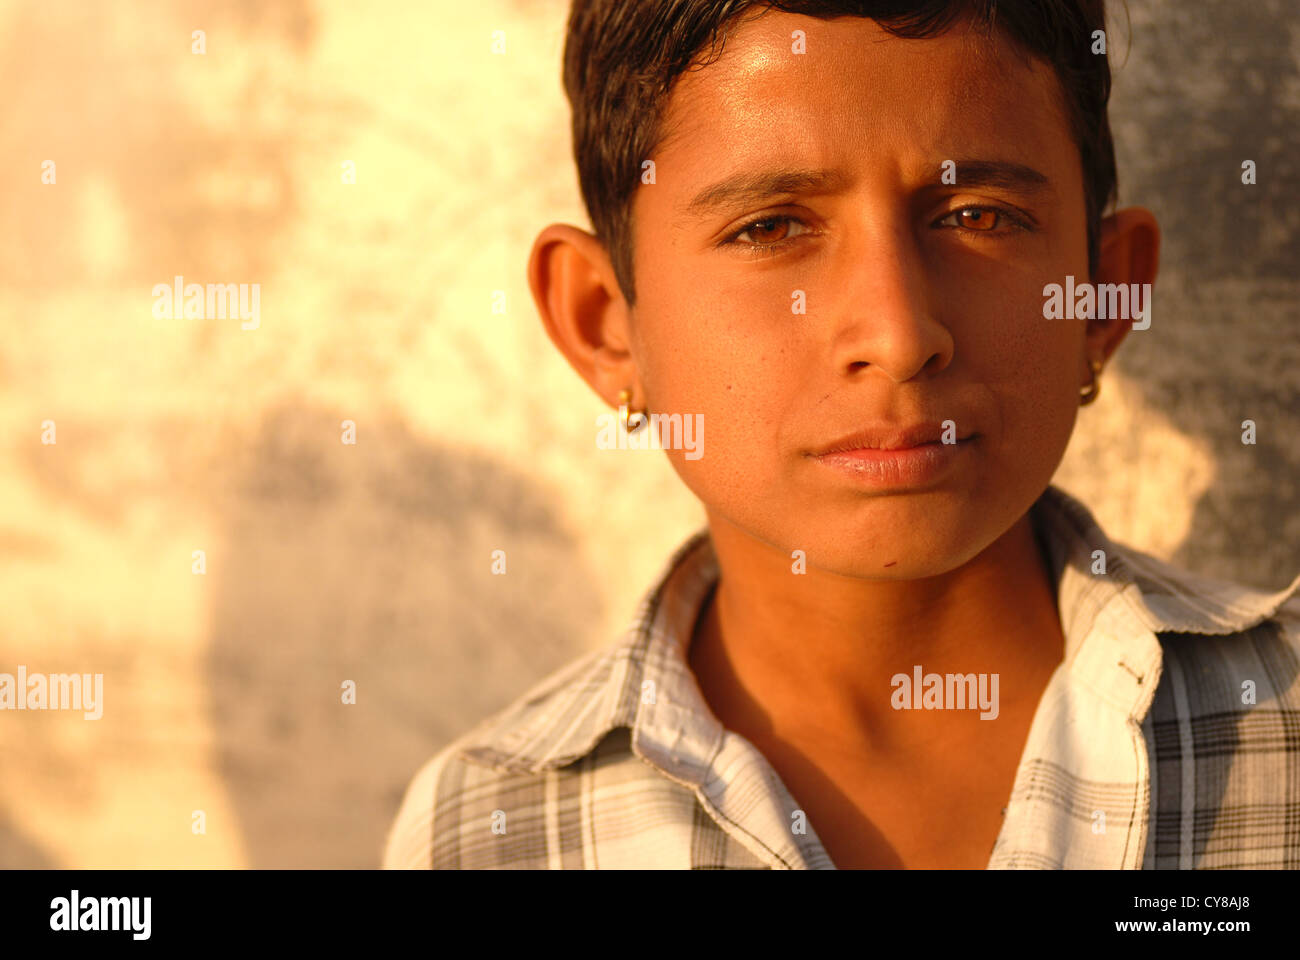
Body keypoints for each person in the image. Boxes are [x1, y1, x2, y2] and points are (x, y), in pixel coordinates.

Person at [383, 0, 1300, 869]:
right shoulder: (494, 831)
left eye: (975, 216)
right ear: (605, 324)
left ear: (1103, 296)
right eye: (771, 226)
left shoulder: (1282, 726)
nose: (900, 336)